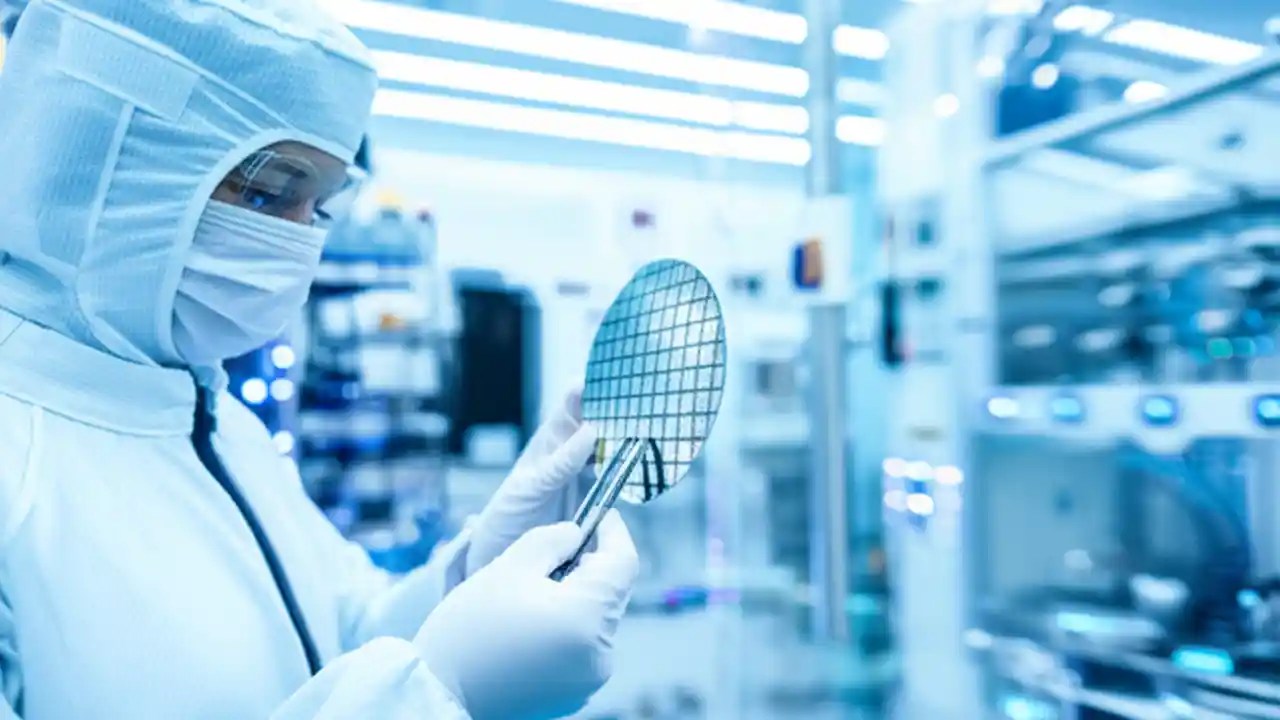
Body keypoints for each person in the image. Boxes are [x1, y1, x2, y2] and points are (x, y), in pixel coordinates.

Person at [0, 1, 637, 718]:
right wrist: (437, 695)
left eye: (320, 205)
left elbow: (339, 637)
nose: (302, 240)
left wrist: (476, 569)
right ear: (104, 161)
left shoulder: (219, 426)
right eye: (270, 191)